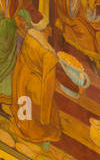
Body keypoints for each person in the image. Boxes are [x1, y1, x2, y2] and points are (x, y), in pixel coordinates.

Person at [9, 7, 61, 142]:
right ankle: (36, 131)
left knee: (24, 106)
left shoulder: (29, 38)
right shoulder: (48, 54)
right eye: (49, 27)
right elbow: (48, 83)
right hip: (36, 86)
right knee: (42, 117)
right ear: (45, 29)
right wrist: (45, 114)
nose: (51, 30)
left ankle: (22, 126)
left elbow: (20, 61)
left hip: (23, 79)